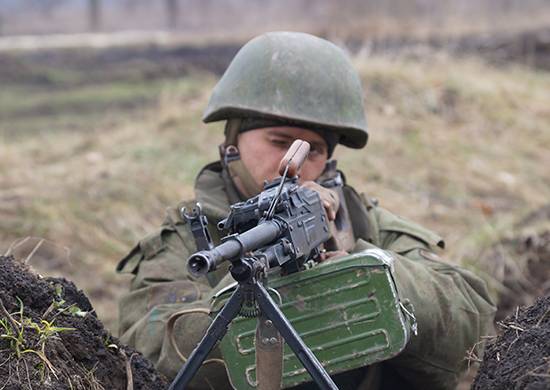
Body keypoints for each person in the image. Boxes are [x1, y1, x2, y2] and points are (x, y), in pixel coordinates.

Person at [116, 32, 495, 389]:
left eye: (312, 149)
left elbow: (470, 321)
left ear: (329, 160)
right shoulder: (189, 239)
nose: (290, 162)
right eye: (277, 140)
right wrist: (264, 278)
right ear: (233, 141)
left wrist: (362, 268)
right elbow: (150, 354)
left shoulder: (362, 222)